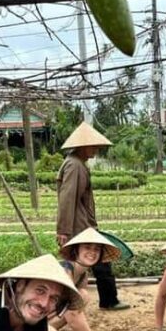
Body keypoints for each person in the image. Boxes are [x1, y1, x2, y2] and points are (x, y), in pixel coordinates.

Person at [56, 121, 129, 311]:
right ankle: (106, 300)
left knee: (89, 263)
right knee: (97, 261)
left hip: (82, 223)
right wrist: (64, 229)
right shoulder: (74, 166)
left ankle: (102, 299)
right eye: (94, 146)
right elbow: (67, 198)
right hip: (80, 226)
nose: (96, 149)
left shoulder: (76, 163)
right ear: (83, 146)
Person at [45, 227, 121, 331]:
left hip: (43, 317)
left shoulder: (82, 275)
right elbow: (72, 315)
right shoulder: (64, 271)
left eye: (96, 249)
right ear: (76, 250)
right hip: (24, 322)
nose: (92, 252)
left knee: (83, 296)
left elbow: (76, 310)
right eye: (87, 247)